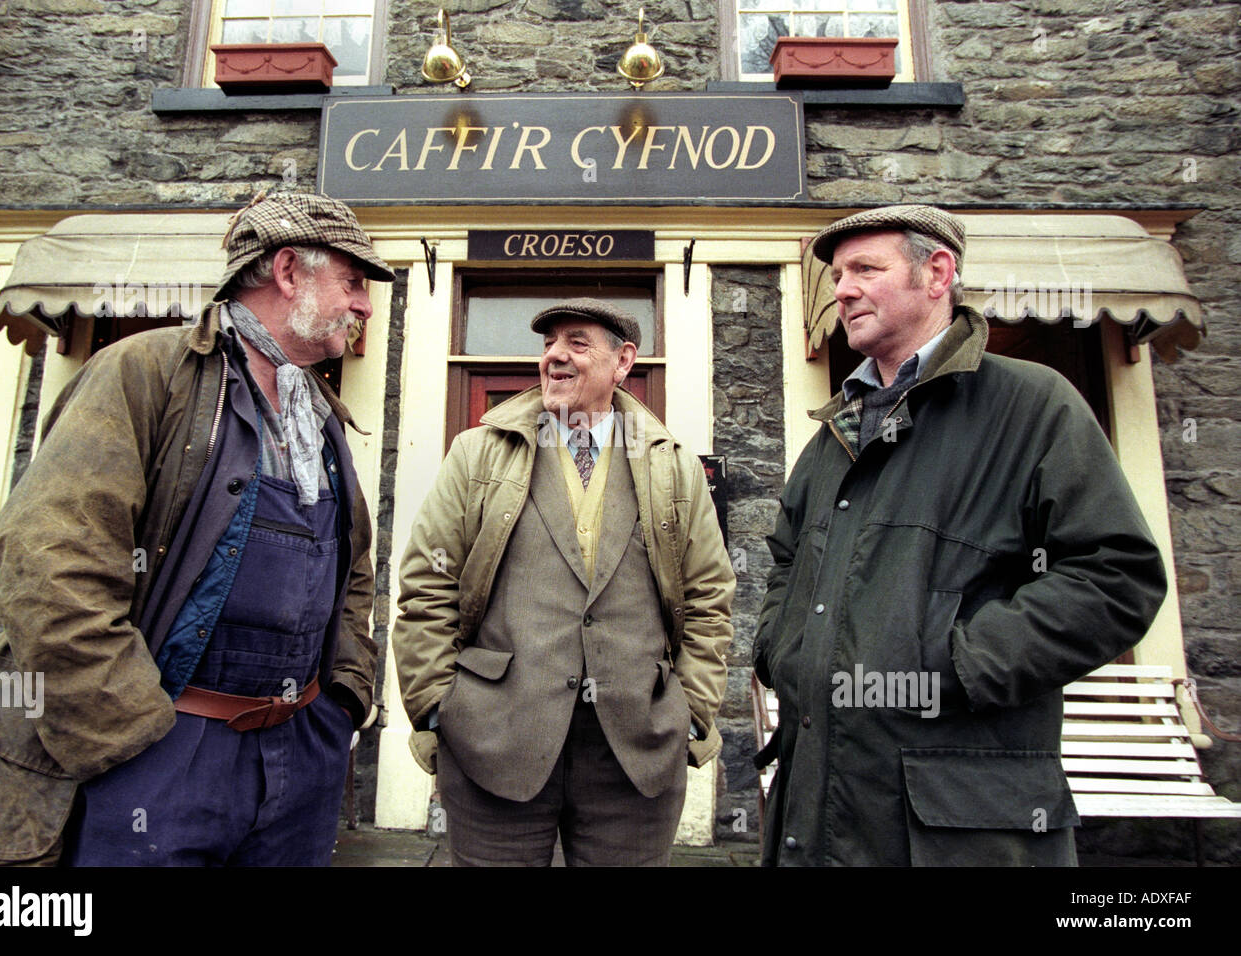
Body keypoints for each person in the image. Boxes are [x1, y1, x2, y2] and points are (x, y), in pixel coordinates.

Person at [0, 191, 392, 866]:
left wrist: (341, 707)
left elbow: (352, 577)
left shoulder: (321, 413)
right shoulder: (144, 373)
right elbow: (46, 565)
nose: (364, 306)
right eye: (354, 283)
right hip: (162, 751)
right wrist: (128, 731)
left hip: (298, 758)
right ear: (290, 271)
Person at [754, 204, 1167, 866]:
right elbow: (785, 561)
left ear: (937, 272)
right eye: (836, 275)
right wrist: (784, 650)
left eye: (866, 268)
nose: (843, 289)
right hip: (817, 809)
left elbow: (1116, 578)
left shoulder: (1034, 405)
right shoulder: (836, 429)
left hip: (961, 828)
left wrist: (961, 662)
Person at [392, 297, 734, 866]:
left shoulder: (672, 465)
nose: (555, 356)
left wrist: (689, 711)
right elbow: (428, 584)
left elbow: (709, 596)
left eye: (577, 343)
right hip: (493, 737)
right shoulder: (477, 453)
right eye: (548, 344)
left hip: (636, 748)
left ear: (623, 361)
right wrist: (438, 708)